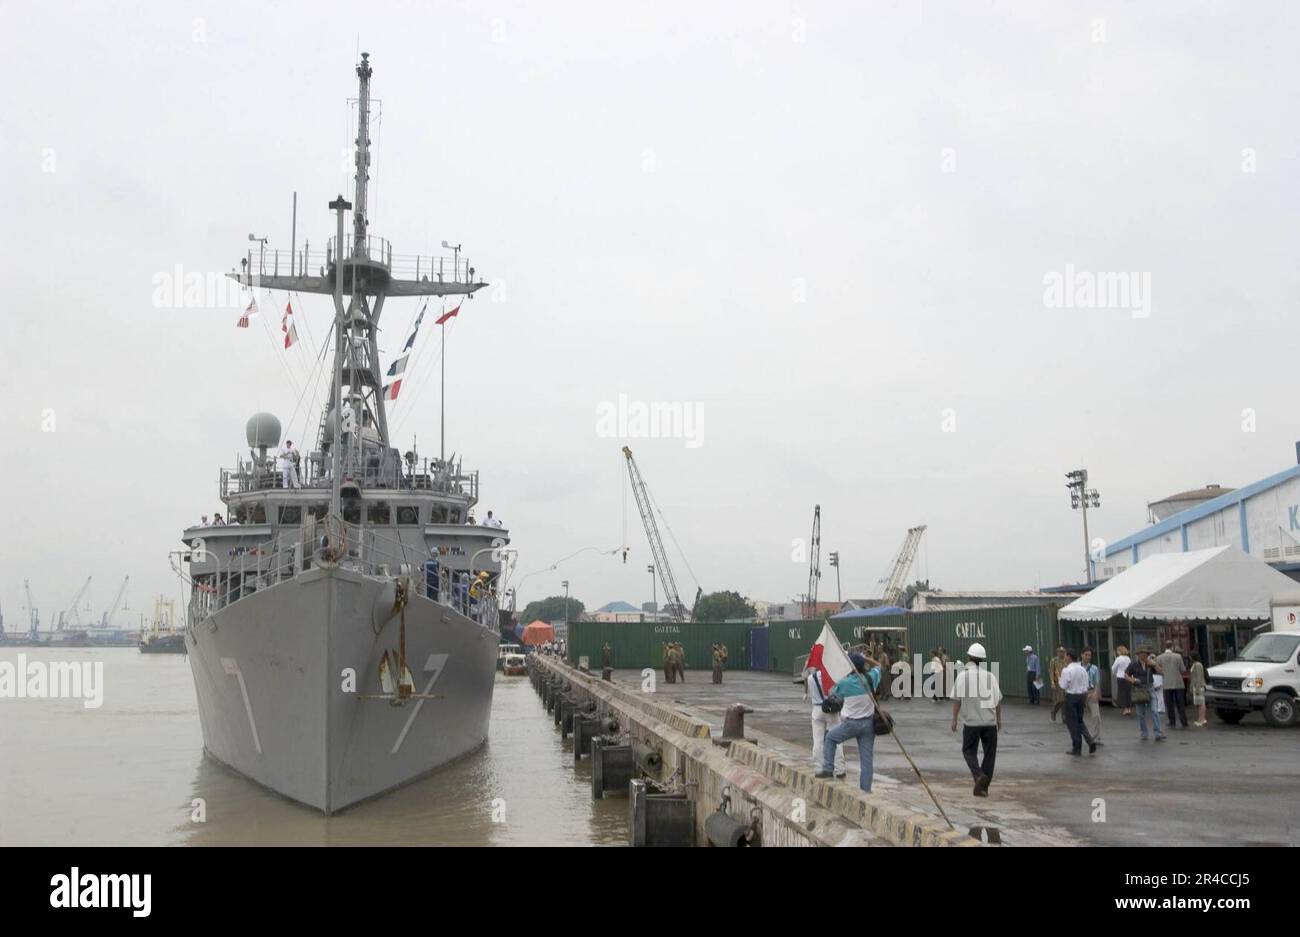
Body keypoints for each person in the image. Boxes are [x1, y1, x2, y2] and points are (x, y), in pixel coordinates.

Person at [815, 652, 882, 792]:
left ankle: (828, 768)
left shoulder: (844, 683)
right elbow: (880, 666)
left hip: (851, 724)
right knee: (866, 760)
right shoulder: (871, 678)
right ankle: (865, 790)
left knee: (830, 738)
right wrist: (867, 658)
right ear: (863, 665)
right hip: (869, 725)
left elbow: (832, 693)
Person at [951, 642, 1002, 797]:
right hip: (989, 723)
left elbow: (957, 700)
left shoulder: (962, 676)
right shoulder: (990, 677)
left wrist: (954, 719)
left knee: (968, 750)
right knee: (990, 754)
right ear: (983, 660)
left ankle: (978, 775)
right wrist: (999, 719)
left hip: (971, 723)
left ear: (969, 657)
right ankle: (983, 788)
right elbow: (997, 701)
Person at [804, 663, 846, 779]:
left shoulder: (810, 678)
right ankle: (840, 769)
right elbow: (837, 693)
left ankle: (819, 768)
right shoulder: (832, 677)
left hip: (817, 709)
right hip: (831, 709)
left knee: (818, 740)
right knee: (836, 740)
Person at [1058, 649, 1097, 755]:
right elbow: (1087, 684)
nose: (1065, 658)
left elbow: (1063, 685)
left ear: (1069, 657)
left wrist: (1059, 678)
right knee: (1079, 720)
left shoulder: (1067, 670)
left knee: (1072, 723)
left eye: (1066, 656)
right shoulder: (1082, 669)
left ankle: (1077, 747)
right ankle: (1090, 740)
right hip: (1082, 696)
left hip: (1071, 696)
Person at [1125, 648, 1165, 741]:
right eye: (1142, 654)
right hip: (1139, 689)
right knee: (1141, 714)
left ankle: (1158, 733)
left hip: (1150, 688)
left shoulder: (1150, 664)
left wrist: (1154, 664)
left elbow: (1161, 671)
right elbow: (1126, 675)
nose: (1144, 656)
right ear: (1138, 655)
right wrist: (1133, 680)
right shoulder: (1133, 664)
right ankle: (1144, 733)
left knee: (1155, 711)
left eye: (1146, 654)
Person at [1154, 641, 1189, 729]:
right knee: (1180, 703)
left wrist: (1164, 672)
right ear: (1172, 647)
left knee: (1169, 704)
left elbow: (1158, 670)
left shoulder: (1159, 658)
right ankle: (1184, 721)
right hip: (1178, 683)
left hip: (1166, 683)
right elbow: (1183, 669)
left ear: (1164, 647)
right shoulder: (1178, 656)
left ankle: (1172, 721)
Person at [1082, 647, 1103, 746]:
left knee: (1096, 715)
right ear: (1082, 655)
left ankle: (1095, 738)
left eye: (1089, 655)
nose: (1087, 657)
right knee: (1078, 717)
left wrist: (1095, 693)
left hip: (1090, 692)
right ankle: (1079, 737)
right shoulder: (1077, 667)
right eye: (1086, 655)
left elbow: (1097, 682)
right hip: (1080, 693)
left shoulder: (1094, 668)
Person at [1112, 645, 1133, 715]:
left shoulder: (1118, 658)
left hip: (1120, 677)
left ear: (1120, 651)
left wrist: (1114, 673)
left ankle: (1125, 709)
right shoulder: (1128, 658)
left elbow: (1114, 668)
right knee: (1128, 693)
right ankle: (1129, 708)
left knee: (1122, 693)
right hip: (1128, 677)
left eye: (1118, 651)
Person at [1048, 647, 1068, 722]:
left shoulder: (1066, 660)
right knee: (1060, 700)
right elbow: (1051, 672)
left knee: (1065, 700)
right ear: (1057, 652)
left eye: (1063, 651)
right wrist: (1052, 682)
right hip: (1057, 683)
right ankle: (1054, 711)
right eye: (1060, 652)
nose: (1061, 653)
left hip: (1065, 682)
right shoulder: (1054, 660)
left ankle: (1064, 717)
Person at [1188, 651, 1208, 726]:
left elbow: (1199, 677)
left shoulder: (1198, 665)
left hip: (1199, 686)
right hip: (1196, 686)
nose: (1189, 657)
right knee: (1198, 704)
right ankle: (1200, 719)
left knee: (1201, 703)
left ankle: (1202, 719)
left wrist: (1197, 688)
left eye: (1190, 656)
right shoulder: (1195, 664)